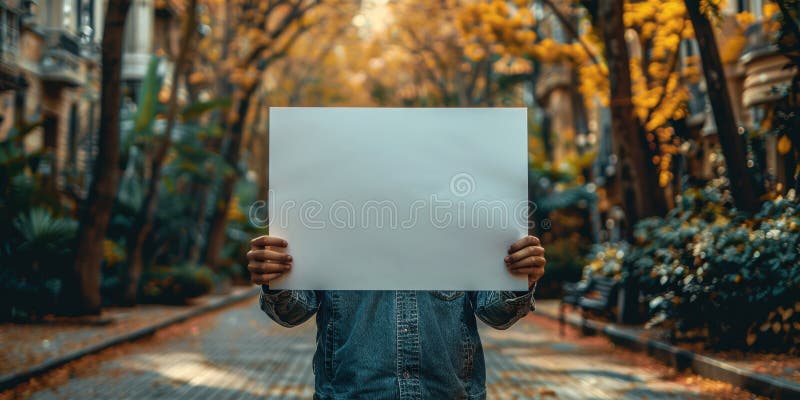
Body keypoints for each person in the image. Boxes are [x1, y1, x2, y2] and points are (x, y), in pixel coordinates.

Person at [247, 234, 545, 399]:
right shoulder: (328, 216)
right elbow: (293, 310)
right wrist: (276, 280)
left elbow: (497, 312)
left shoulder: (465, 215)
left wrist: (520, 279)